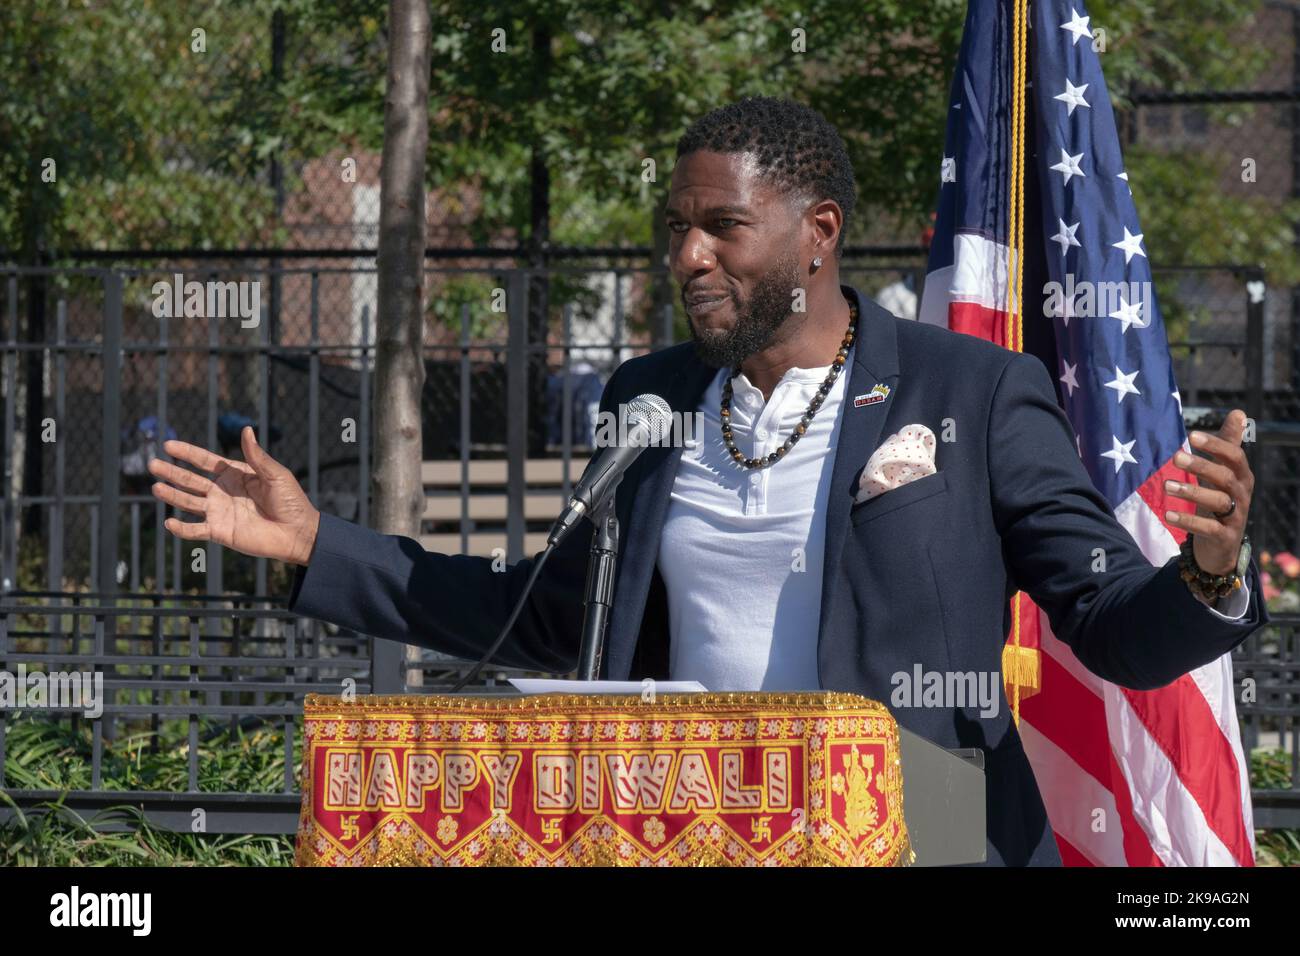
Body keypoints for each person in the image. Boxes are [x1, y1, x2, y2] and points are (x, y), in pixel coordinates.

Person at [148, 96, 1267, 866]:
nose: (688, 255)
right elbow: (548, 617)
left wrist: (1206, 575)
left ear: (816, 232)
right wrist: (315, 547)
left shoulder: (968, 392)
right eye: (676, 227)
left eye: (722, 227)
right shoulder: (654, 394)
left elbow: (1109, 624)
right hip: (690, 820)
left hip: (919, 824)